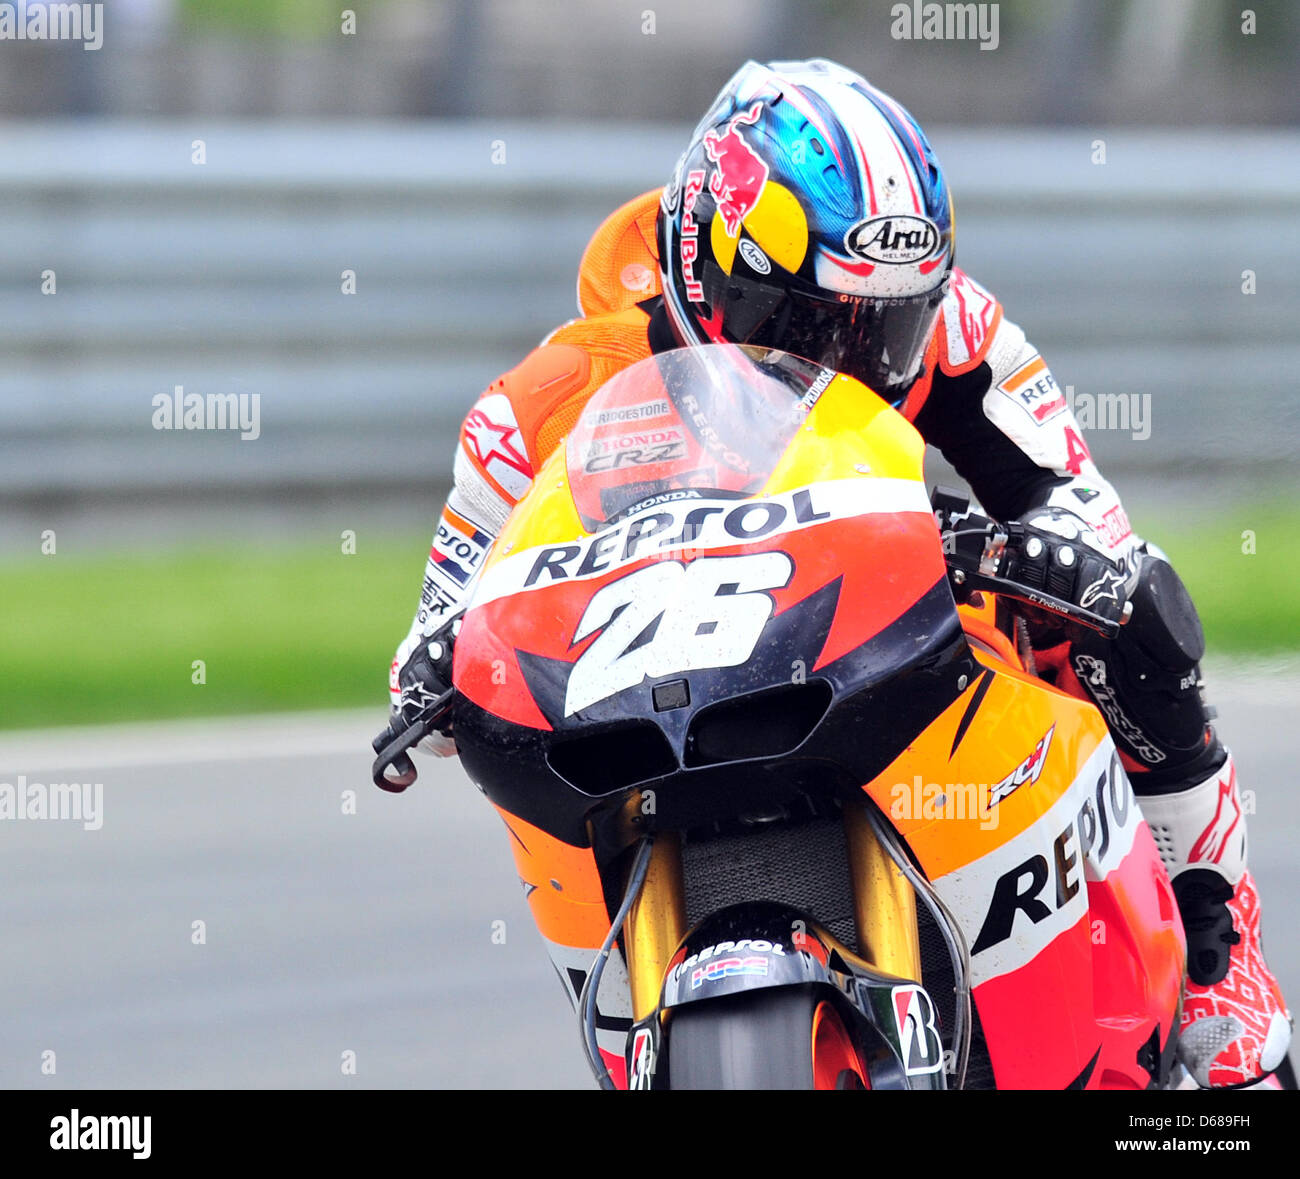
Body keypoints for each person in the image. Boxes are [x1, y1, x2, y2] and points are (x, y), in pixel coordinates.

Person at [385, 58, 1289, 1088]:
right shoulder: (543, 399)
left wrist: (1051, 551)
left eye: (883, 328)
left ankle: (1224, 976)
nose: (854, 353)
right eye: (816, 324)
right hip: (663, 676)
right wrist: (429, 670)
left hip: (876, 628)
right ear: (715, 265)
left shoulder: (956, 329)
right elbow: (448, 609)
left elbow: (1075, 501)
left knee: (1135, 611)